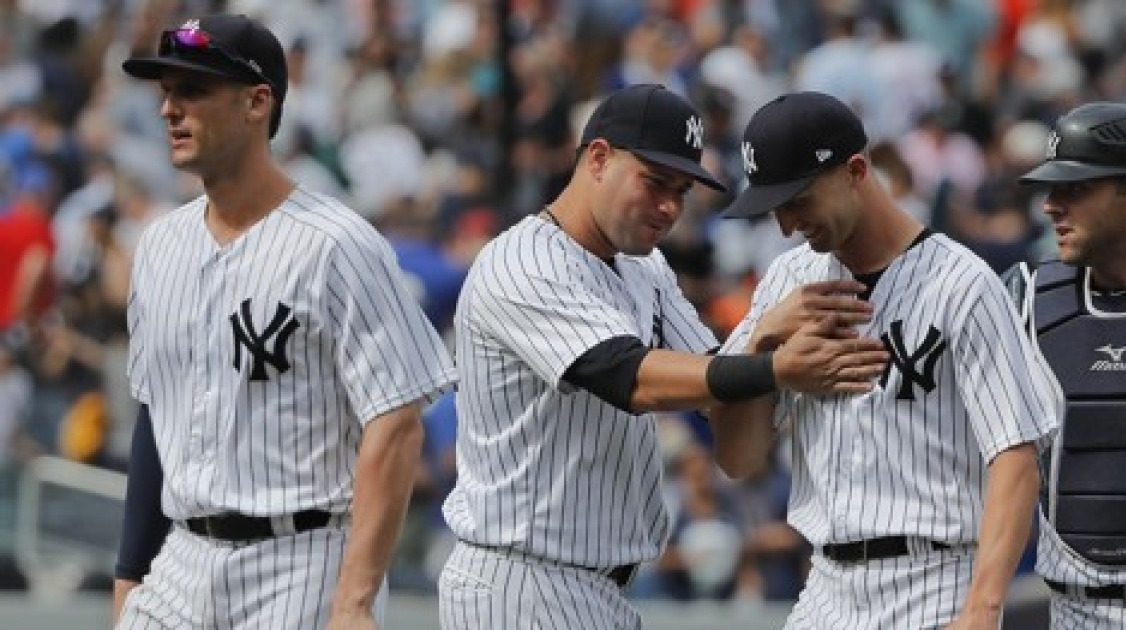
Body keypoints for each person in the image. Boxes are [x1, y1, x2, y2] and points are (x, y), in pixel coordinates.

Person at [437, 83, 891, 630]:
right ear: (598, 158)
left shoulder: (643, 266)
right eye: (655, 181)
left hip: (598, 589)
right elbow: (630, 378)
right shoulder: (522, 263)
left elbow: (712, 378)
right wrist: (775, 366)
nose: (670, 207)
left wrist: (764, 338)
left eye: (681, 190)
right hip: (521, 582)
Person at [111, 14, 457, 629]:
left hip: (300, 560)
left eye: (193, 90)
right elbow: (152, 418)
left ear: (256, 102)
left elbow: (397, 423)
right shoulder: (159, 245)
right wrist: (129, 577)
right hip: (180, 562)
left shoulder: (336, 244)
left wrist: (354, 601)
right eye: (166, 91)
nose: (169, 109)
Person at [708, 92, 1058, 629]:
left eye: (797, 200)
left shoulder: (961, 282)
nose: (786, 224)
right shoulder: (787, 280)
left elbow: (1015, 454)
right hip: (825, 587)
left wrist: (983, 607)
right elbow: (738, 460)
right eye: (774, 207)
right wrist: (760, 345)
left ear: (855, 171)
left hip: (933, 579)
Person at [1014, 101, 1126, 629]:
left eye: (1075, 189)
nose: (1051, 206)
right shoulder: (1023, 298)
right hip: (1070, 610)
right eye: (1051, 189)